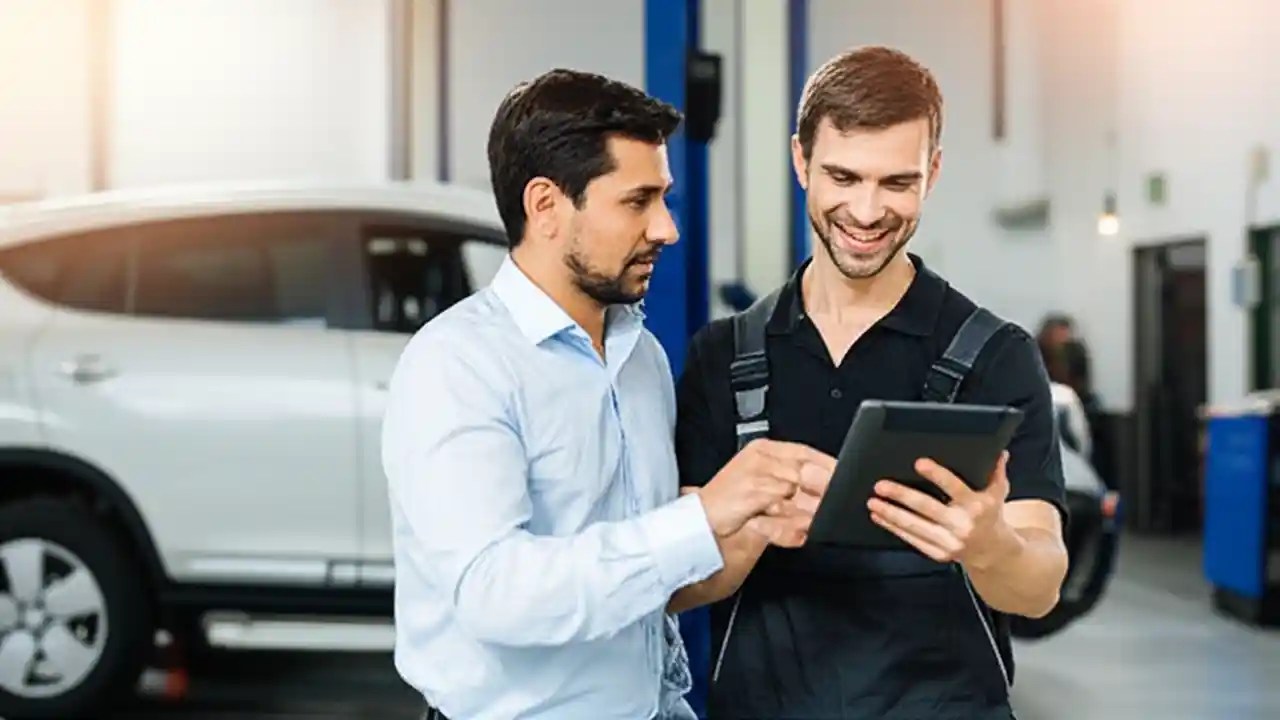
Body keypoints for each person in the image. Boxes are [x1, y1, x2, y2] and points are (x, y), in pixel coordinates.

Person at [380, 68, 835, 720]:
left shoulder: (639, 357)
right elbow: (494, 593)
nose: (666, 229)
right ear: (545, 207)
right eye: (637, 201)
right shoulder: (456, 366)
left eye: (664, 199)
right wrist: (701, 518)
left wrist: (751, 524)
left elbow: (644, 583)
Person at [675, 46, 1070, 719]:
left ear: (933, 172)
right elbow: (679, 587)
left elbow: (1040, 585)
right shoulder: (725, 356)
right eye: (843, 176)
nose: (866, 211)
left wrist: (987, 543)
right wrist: (750, 523)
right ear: (801, 161)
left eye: (897, 182)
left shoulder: (995, 357)